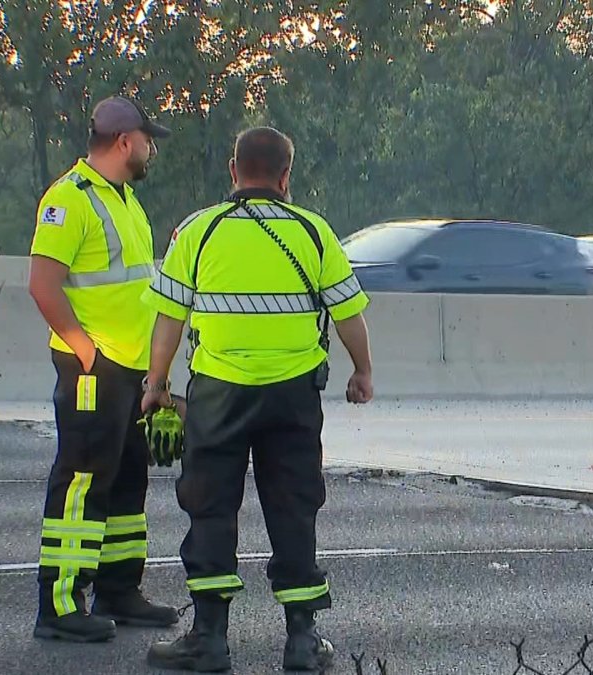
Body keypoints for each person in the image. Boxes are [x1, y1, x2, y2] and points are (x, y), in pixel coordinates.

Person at [139, 126, 374, 672]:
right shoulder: (314, 233)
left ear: (233, 170)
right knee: (294, 507)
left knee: (210, 507)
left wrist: (156, 385)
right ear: (286, 177)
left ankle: (209, 639)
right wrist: (362, 372)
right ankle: (302, 642)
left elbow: (169, 318)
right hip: (292, 398)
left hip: (217, 396)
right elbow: (348, 316)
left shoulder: (197, 231)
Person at [28, 95, 180, 641]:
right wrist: (86, 353)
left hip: (132, 370)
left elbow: (134, 279)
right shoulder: (69, 200)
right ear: (124, 141)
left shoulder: (126, 200)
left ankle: (119, 591)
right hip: (94, 369)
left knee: (126, 482)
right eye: (147, 139)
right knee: (81, 481)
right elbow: (43, 285)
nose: (150, 149)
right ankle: (61, 604)